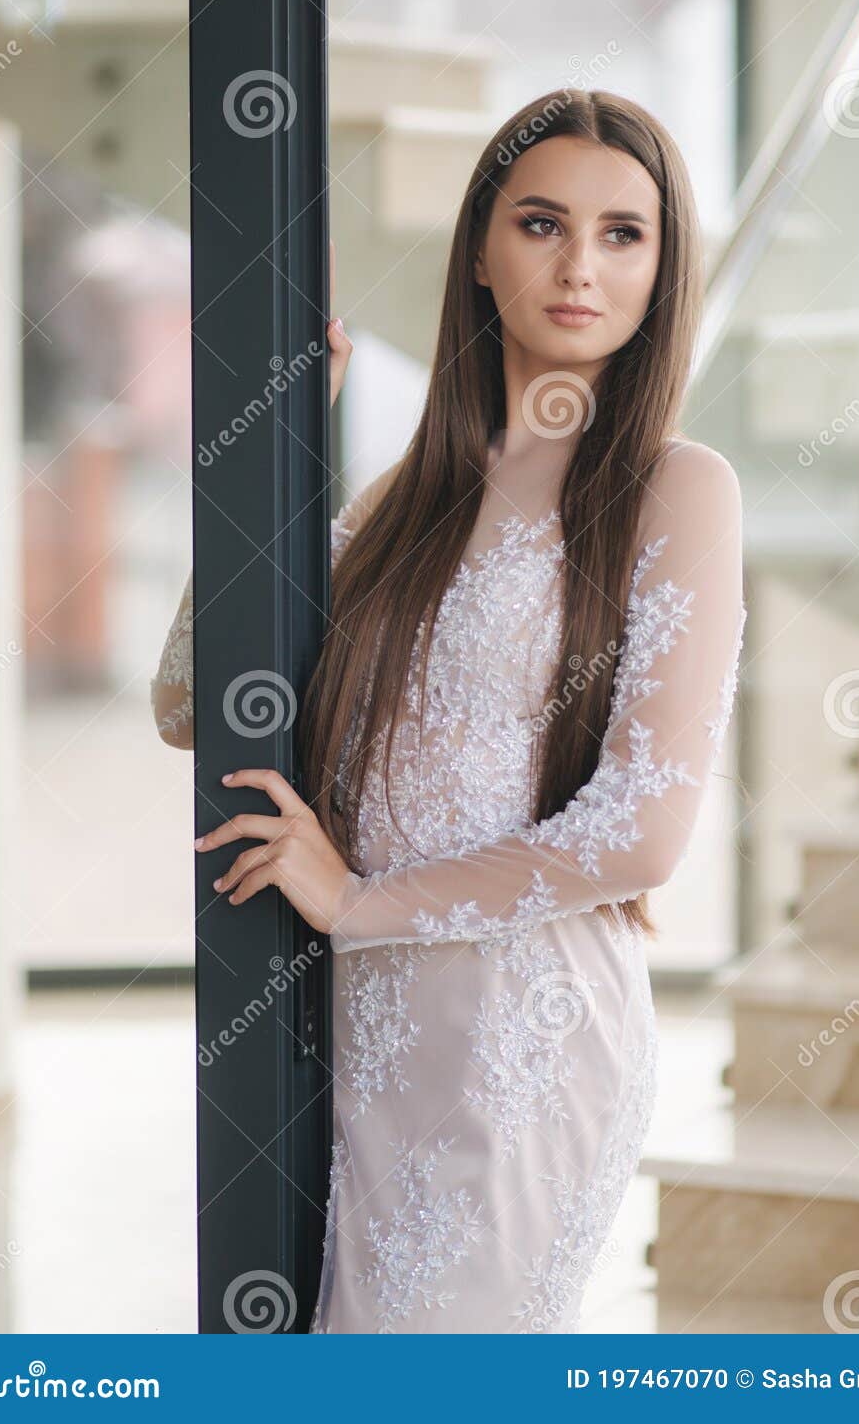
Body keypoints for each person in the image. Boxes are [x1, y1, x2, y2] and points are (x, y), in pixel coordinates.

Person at [151, 88, 746, 1334]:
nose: (580, 265)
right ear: (478, 248)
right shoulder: (401, 499)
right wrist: (280, 447)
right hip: (374, 1034)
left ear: (661, 266)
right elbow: (187, 700)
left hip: (526, 1038)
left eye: (623, 233)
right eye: (541, 223)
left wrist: (359, 903)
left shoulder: (674, 489)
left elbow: (643, 828)